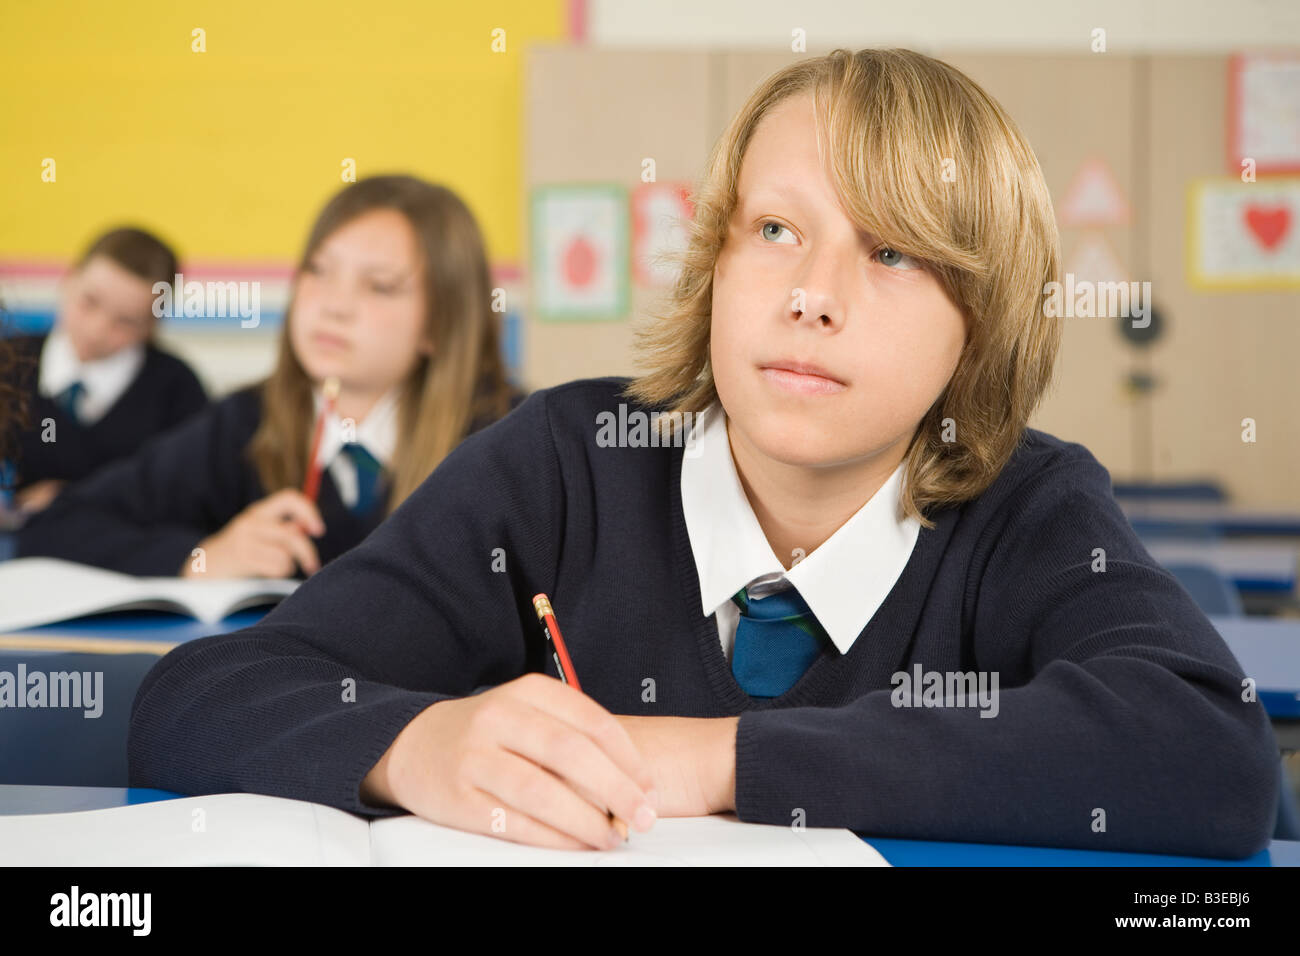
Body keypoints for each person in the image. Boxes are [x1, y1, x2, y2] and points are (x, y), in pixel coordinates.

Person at [128, 50, 1278, 857]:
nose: (810, 296)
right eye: (773, 230)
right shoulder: (563, 463)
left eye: (890, 253)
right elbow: (201, 695)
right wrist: (411, 743)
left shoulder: (1027, 507)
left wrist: (722, 758)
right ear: (713, 268)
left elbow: (1214, 758)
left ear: (980, 322)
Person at [19, 175, 523, 577]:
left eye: (380, 286)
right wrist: (202, 555)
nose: (332, 306)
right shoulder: (246, 421)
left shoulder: (512, 440)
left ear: (442, 322)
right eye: (318, 271)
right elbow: (57, 527)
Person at [4, 227, 207, 518]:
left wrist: (73, 500)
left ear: (152, 325)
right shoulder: (9, 362)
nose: (97, 330)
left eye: (125, 321)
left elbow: (187, 498)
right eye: (90, 302)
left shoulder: (179, 392)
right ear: (68, 280)